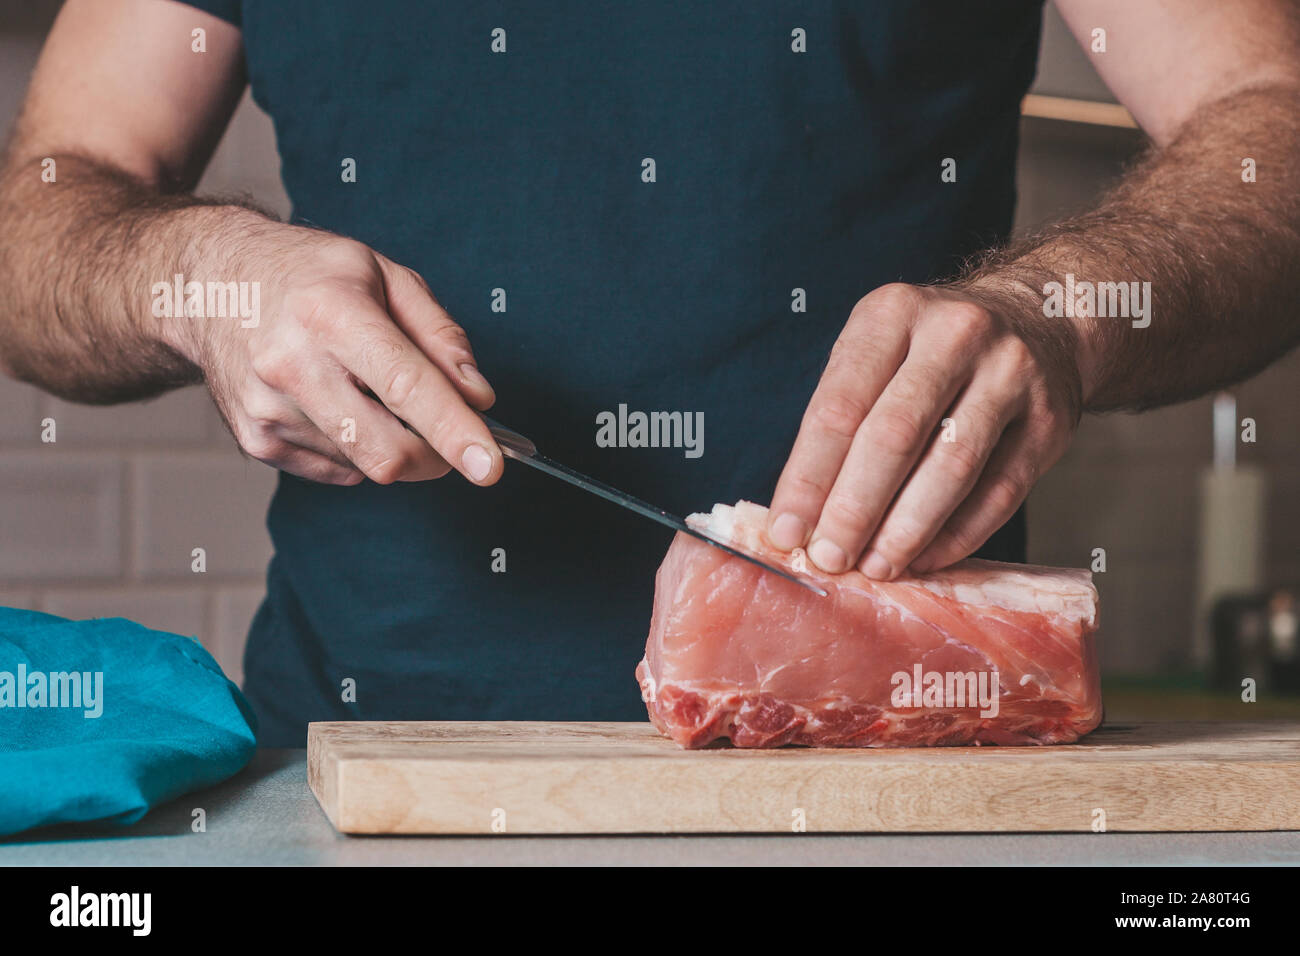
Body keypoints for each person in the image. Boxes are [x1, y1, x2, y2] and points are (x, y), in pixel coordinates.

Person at [1, 0, 1297, 746]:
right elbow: (43, 214)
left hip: (892, 784)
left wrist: (1063, 311)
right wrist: (202, 271)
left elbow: (1272, 119)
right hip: (355, 778)